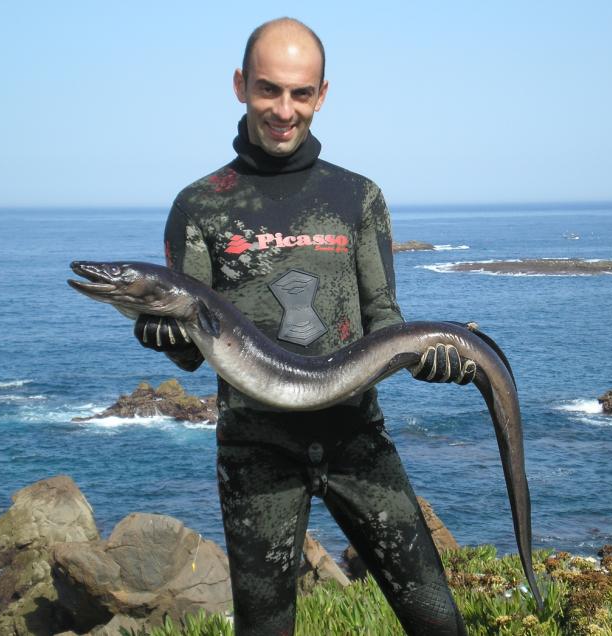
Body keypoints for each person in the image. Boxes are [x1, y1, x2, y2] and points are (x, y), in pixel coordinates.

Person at [135, 17, 472, 636]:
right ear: (240, 86)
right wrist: (160, 331)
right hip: (254, 452)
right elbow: (191, 350)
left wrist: (433, 358)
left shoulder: (358, 197)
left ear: (321, 94)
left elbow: (384, 321)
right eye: (268, 89)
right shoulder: (201, 204)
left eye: (299, 92)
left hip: (357, 440)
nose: (283, 109)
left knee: (439, 624)